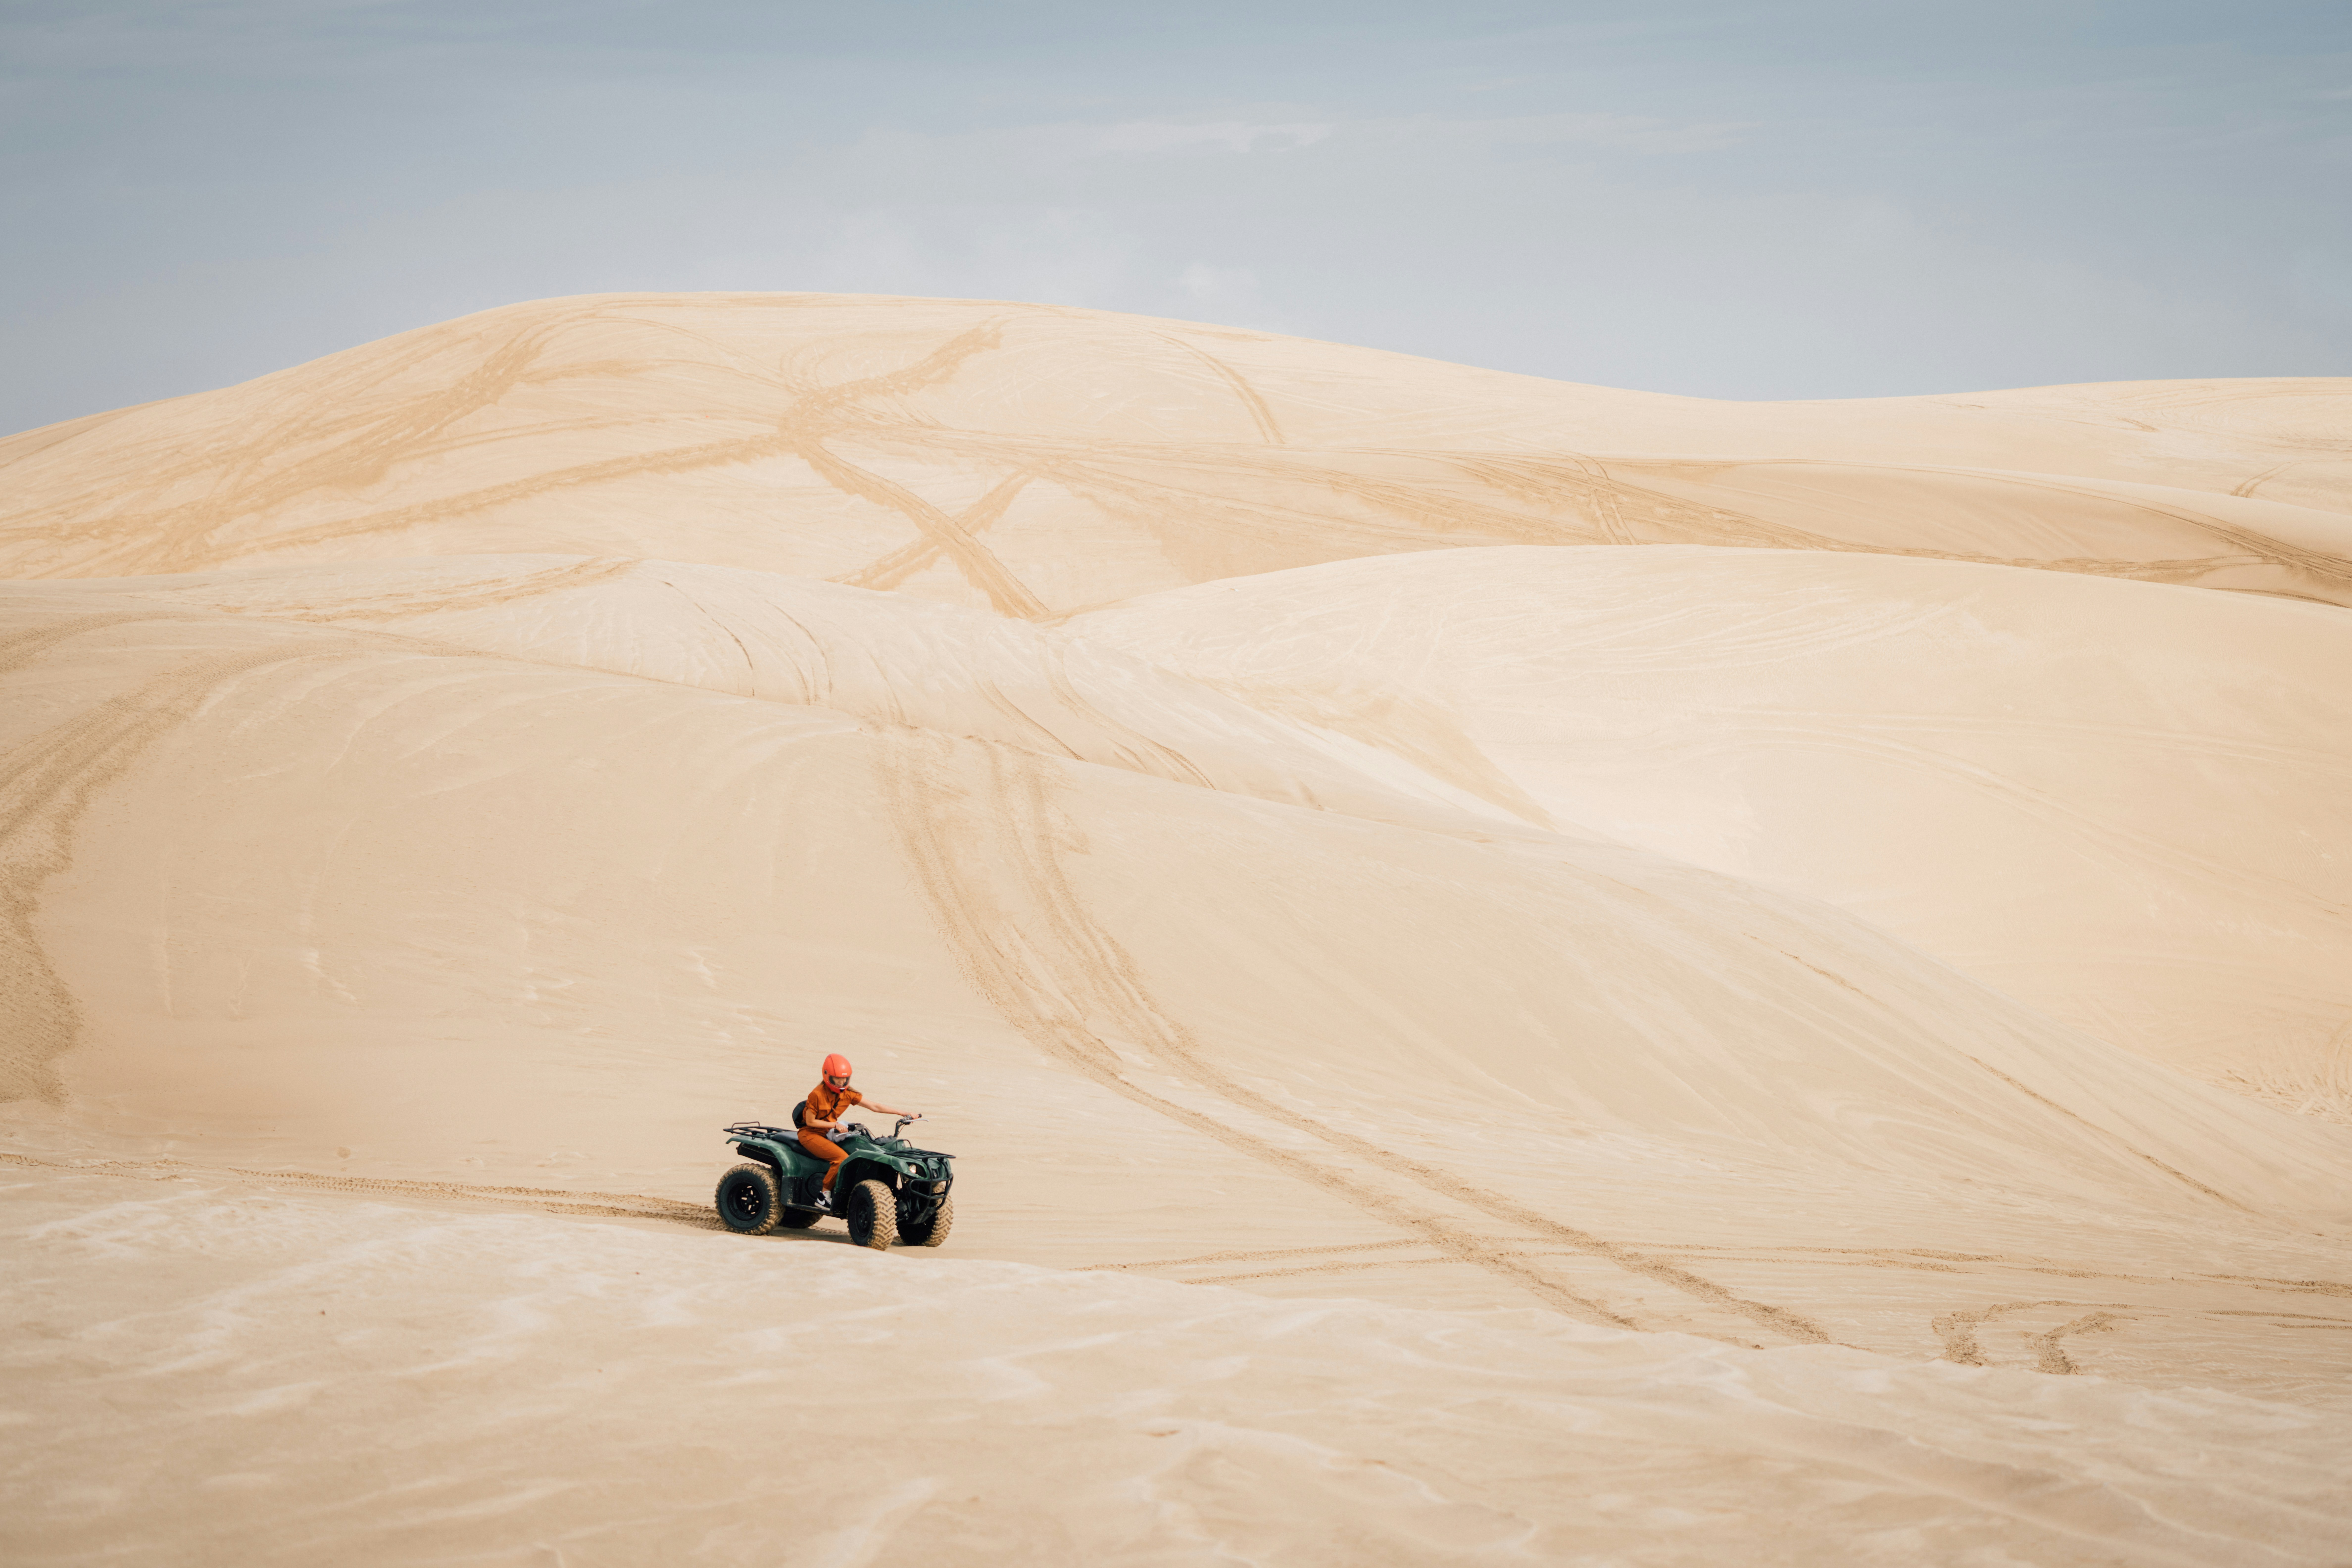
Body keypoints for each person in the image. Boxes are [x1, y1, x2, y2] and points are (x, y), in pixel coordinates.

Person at [798, 1053, 919, 1208]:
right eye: (837, 1079)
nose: (842, 1082)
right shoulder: (817, 1095)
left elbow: (875, 1106)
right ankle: (824, 1195)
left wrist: (902, 1113)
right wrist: (835, 1125)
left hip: (829, 1133)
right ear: (828, 1076)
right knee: (841, 1159)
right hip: (811, 1134)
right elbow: (811, 1121)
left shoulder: (848, 1094)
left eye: (845, 1078)